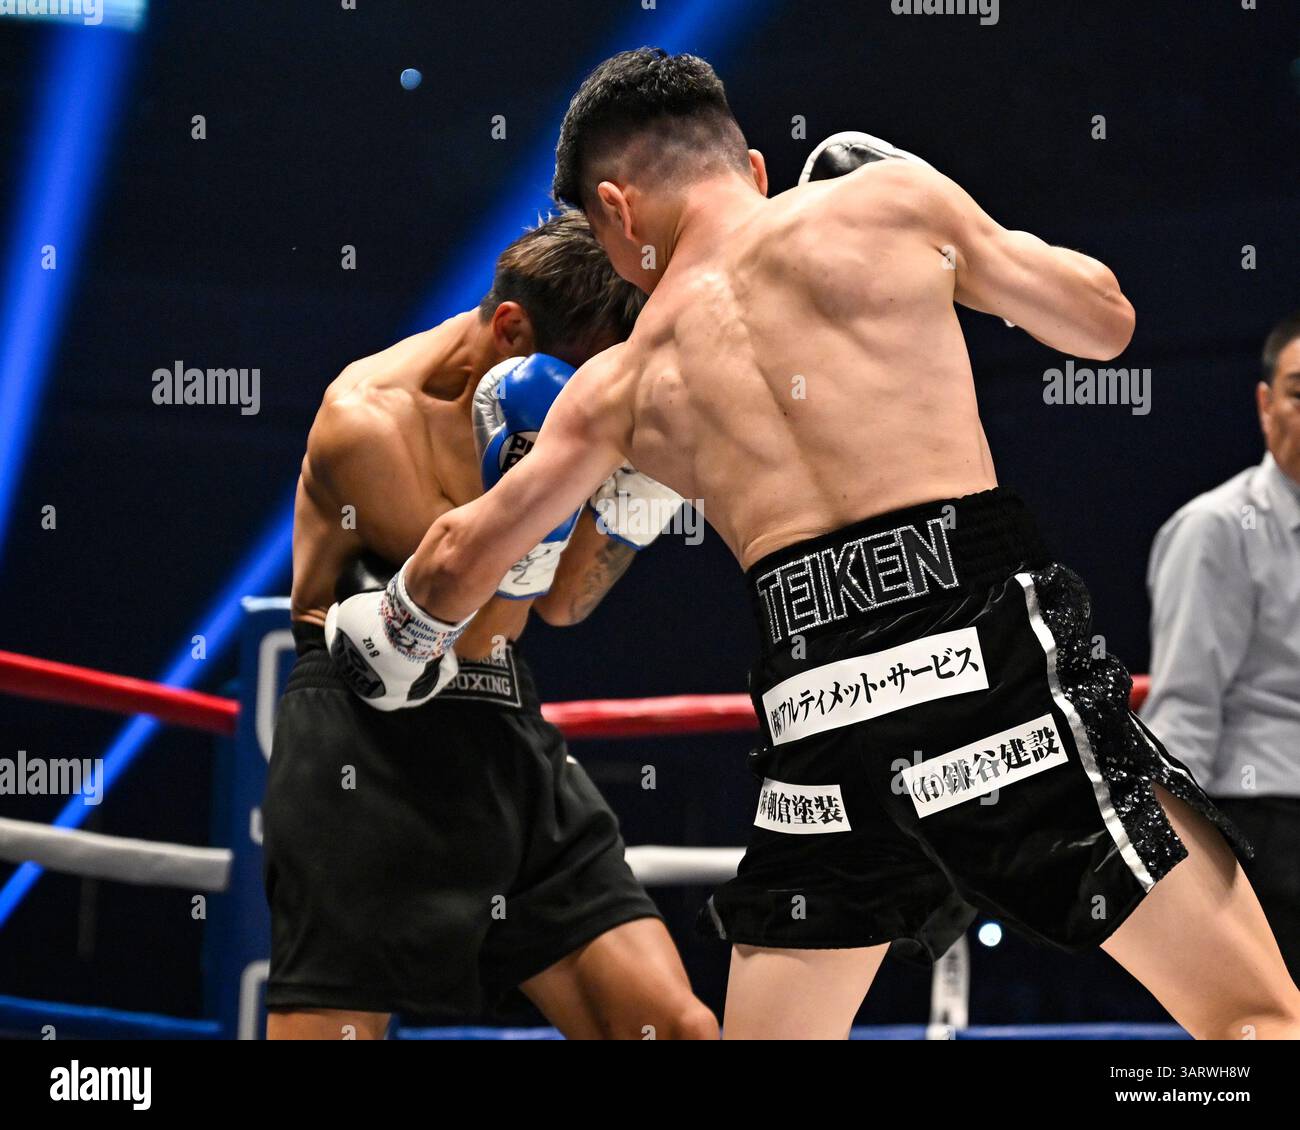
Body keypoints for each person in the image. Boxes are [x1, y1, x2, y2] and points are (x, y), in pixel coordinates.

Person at [328, 49, 1300, 1039]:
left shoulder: (618, 387)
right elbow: (1104, 321)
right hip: (990, 668)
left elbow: (461, 559)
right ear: (749, 167)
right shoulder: (887, 204)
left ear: (618, 209)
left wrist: (390, 632)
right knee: (1253, 1018)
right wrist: (961, 227)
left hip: (820, 721)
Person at [263, 209, 717, 1040]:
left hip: (502, 722)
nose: (595, 408)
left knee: (672, 1027)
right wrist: (545, 481)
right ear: (511, 328)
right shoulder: (367, 420)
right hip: (363, 743)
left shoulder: (584, 390)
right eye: (583, 380)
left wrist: (649, 490)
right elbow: (465, 618)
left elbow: (563, 604)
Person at [1143, 308, 1300, 982]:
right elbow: (1184, 713)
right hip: (1264, 827)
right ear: (1267, 405)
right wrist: (1174, 877)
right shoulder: (1219, 529)